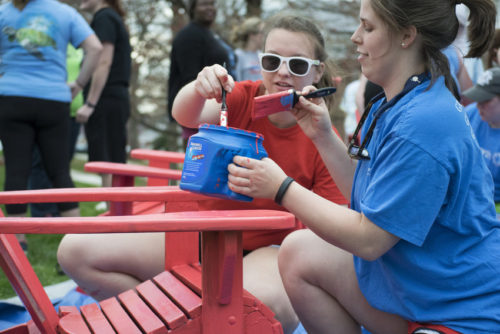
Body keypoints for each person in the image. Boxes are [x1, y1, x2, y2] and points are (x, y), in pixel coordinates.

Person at [57, 14, 348, 333]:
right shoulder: (240, 97)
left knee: (255, 310)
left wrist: (281, 188)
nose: (282, 71)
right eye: (272, 60)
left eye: (297, 65)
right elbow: (187, 115)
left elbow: (331, 220)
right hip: (201, 235)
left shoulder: (325, 136)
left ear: (318, 70)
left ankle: (180, 319)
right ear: (258, 61)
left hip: (269, 249)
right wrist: (199, 87)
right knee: (75, 251)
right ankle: (170, 321)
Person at [226, 0, 500, 333]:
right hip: (418, 284)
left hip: (457, 311)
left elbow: (370, 240)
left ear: (406, 36)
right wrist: (323, 136)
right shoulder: (397, 102)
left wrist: (281, 188)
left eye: (368, 27)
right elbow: (367, 194)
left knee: (303, 249)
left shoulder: (425, 122)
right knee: (300, 252)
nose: (356, 37)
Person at [0, 0, 102, 247]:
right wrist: (78, 83)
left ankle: (17, 244)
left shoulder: (3, 12)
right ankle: (77, 241)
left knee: (16, 170)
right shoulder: (64, 12)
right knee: (59, 171)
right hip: (53, 100)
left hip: (11, 97)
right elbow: (95, 48)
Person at [76, 0, 132, 188]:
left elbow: (103, 62)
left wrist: (90, 103)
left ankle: (114, 215)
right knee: (114, 161)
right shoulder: (111, 18)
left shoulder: (104, 18)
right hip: (114, 98)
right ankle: (117, 214)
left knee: (106, 162)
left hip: (106, 100)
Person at [28, 44, 85, 218]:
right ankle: (43, 211)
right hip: (45, 109)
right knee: (39, 163)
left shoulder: (79, 48)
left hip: (72, 113)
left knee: (62, 164)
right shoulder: (44, 43)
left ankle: (59, 208)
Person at [167, 0, 230, 150]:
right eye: (204, 4)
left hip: (215, 109)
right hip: (198, 111)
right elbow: (189, 77)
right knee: (197, 162)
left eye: (212, 4)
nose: (210, 8)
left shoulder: (211, 35)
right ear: (193, 9)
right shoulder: (189, 36)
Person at [462, 68, 500, 206]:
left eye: (486, 100)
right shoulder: (469, 115)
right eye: (477, 99)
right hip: (469, 195)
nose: (479, 106)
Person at [231, 16, 264, 82]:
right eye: (262, 32)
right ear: (252, 35)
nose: (265, 35)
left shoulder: (262, 55)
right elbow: (236, 81)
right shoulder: (238, 55)